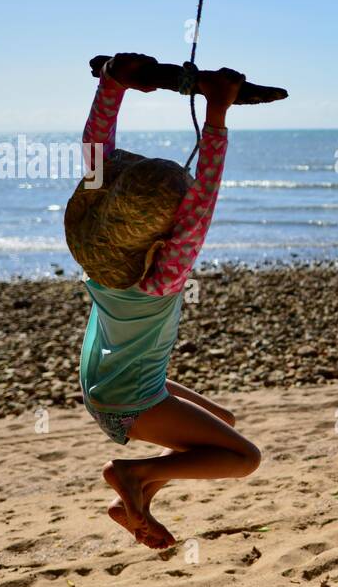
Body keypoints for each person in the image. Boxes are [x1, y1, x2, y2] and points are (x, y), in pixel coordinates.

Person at [66, 52, 262, 549]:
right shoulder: (162, 278)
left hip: (105, 378)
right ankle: (131, 478)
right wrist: (216, 115)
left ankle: (141, 488)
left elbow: (95, 150)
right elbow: (205, 198)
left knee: (225, 425)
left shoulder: (105, 257)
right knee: (244, 459)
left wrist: (113, 85)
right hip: (127, 396)